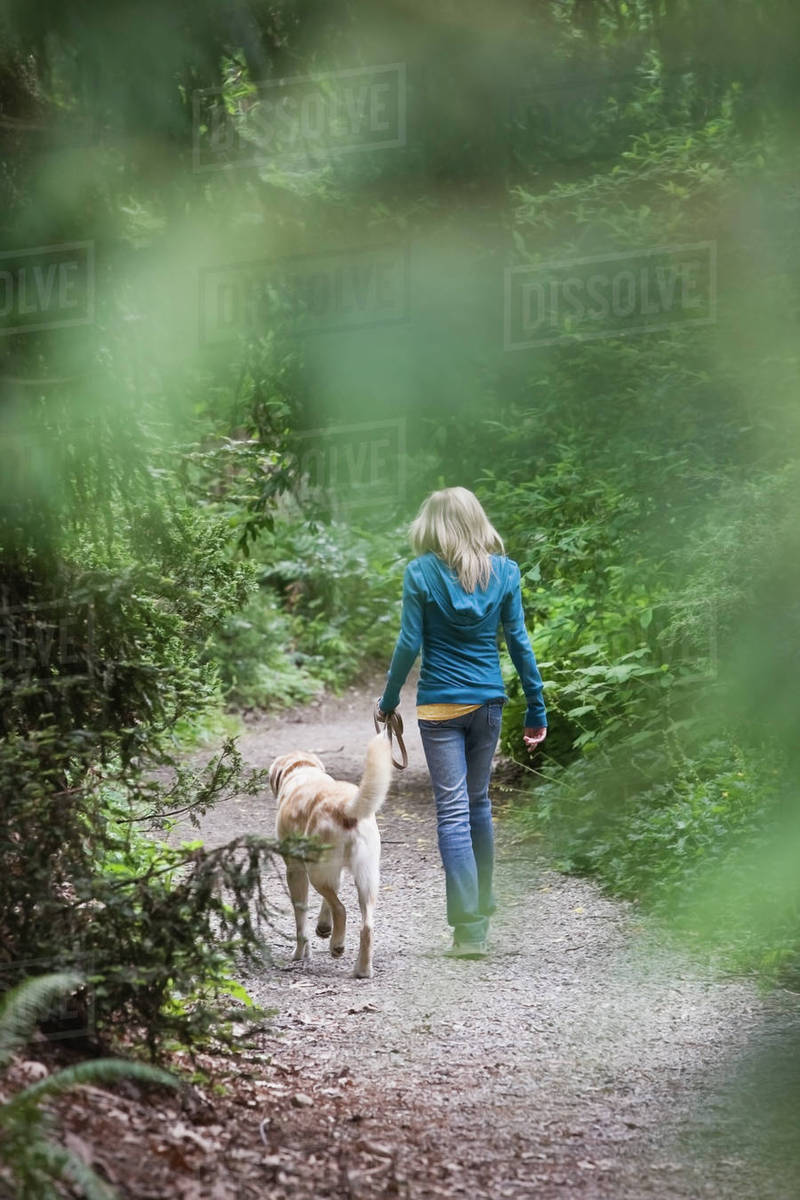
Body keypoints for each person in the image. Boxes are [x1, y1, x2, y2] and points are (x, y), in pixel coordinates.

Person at [377, 486, 547, 959]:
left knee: (453, 813)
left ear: (431, 525)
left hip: (439, 708)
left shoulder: (421, 573)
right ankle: (482, 909)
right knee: (479, 805)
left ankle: (469, 931)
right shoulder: (506, 572)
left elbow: (409, 643)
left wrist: (389, 701)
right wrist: (537, 708)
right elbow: (520, 643)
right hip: (488, 703)